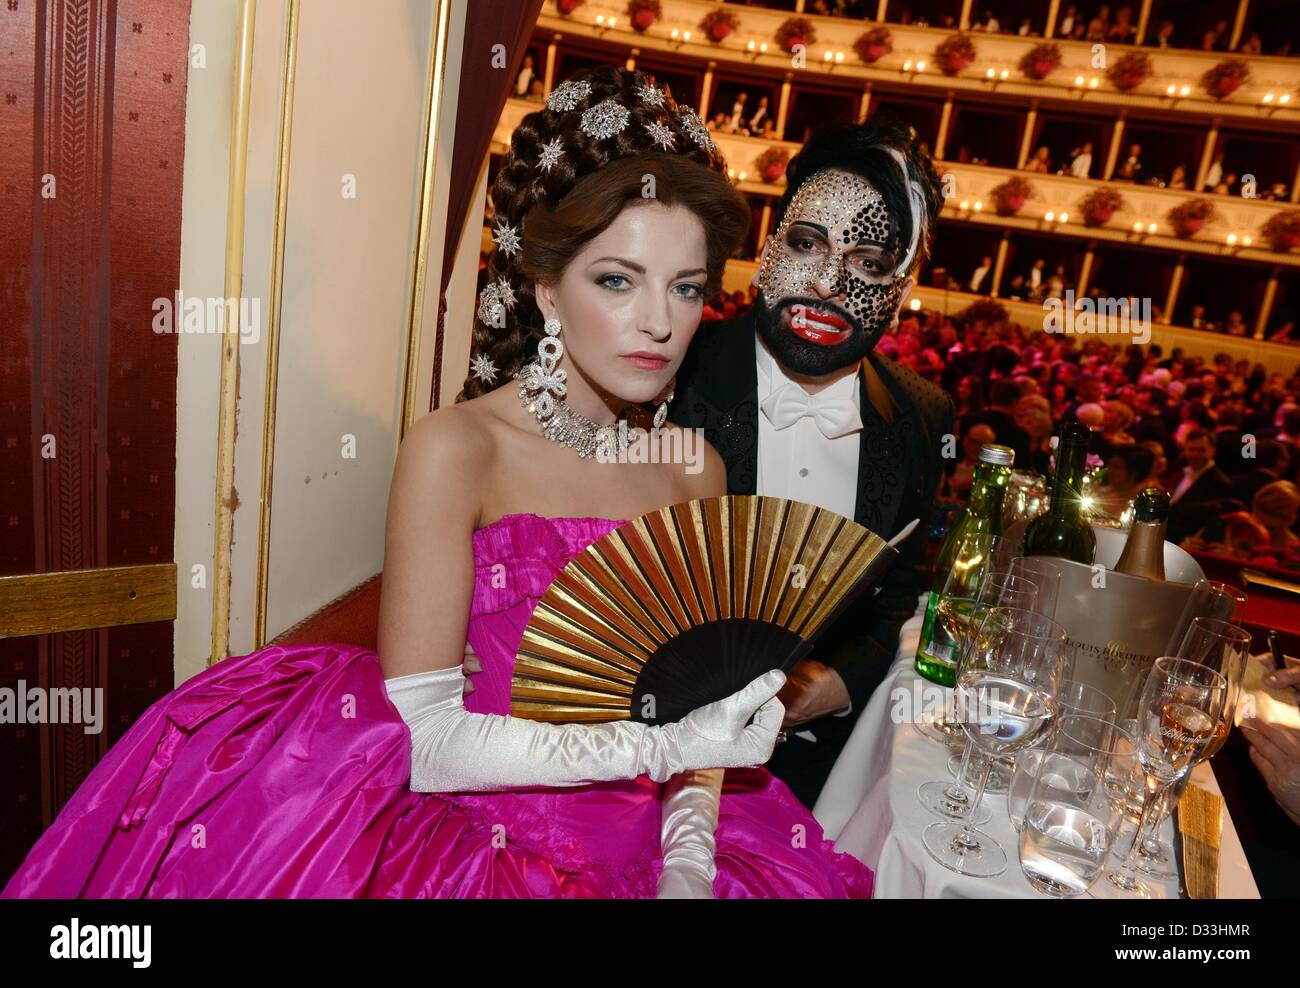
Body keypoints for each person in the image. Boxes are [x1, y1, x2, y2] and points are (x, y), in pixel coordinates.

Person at [3, 67, 871, 900]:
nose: (658, 321)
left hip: (664, 841)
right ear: (545, 290)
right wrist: (659, 749)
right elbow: (430, 742)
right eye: (617, 279)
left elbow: (700, 729)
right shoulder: (458, 451)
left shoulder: (695, 469)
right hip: (494, 840)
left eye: (686, 288)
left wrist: (685, 870)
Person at [671, 117, 952, 809]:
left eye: (869, 264)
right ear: (767, 248)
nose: (827, 282)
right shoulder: (670, 370)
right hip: (652, 751)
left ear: (904, 288)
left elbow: (907, 588)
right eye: (807, 243)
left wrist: (845, 681)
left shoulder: (922, 416)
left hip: (812, 780)